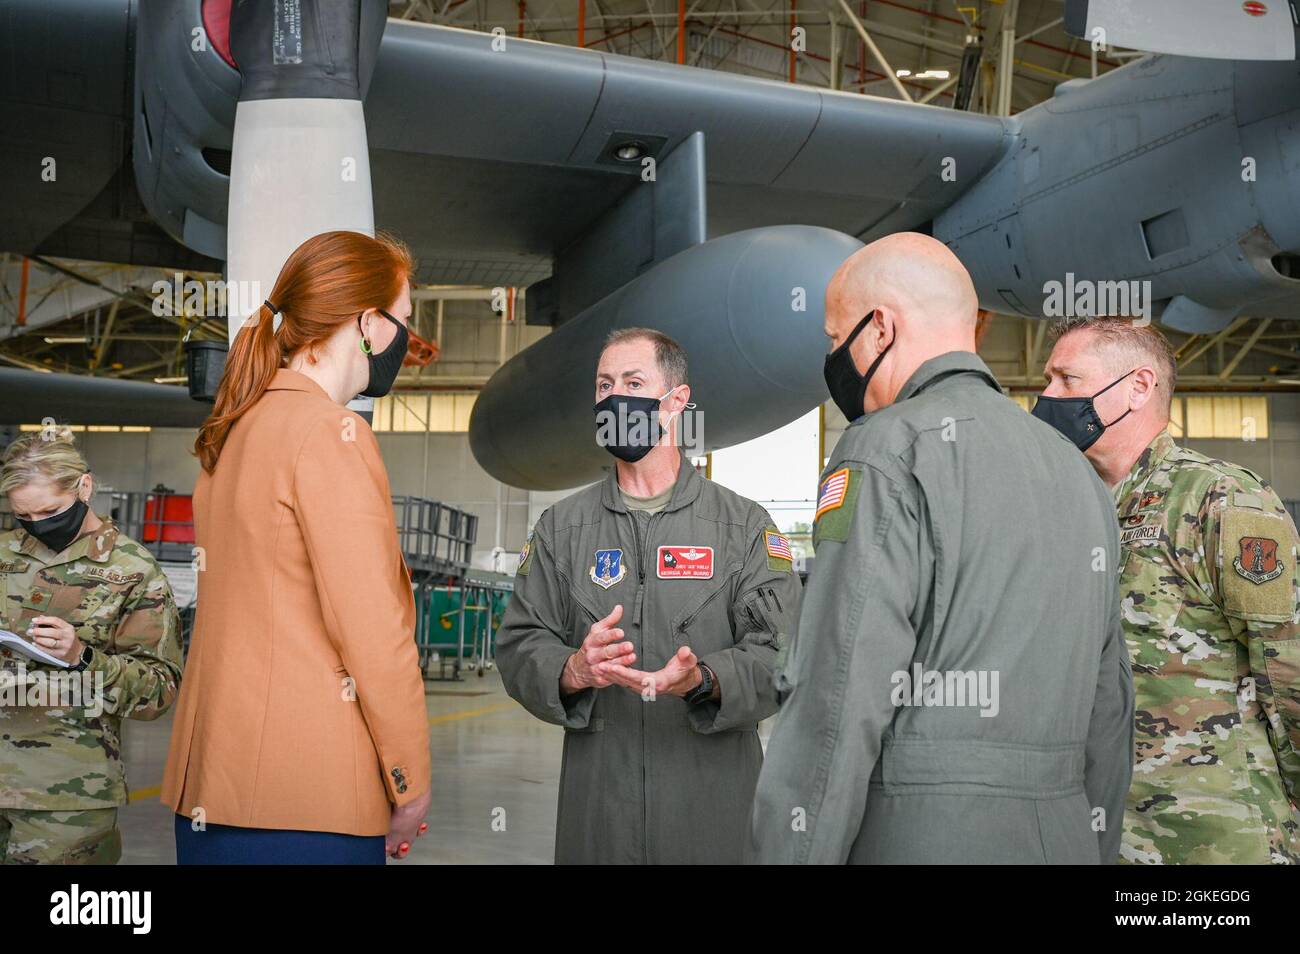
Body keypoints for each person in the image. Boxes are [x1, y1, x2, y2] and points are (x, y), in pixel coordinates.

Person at [750, 232, 1133, 864]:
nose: (832, 355)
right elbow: (1109, 708)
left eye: (833, 337)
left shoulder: (886, 449)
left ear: (879, 330)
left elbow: (838, 697)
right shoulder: (1076, 472)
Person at [161, 230, 432, 864]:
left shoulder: (233, 430)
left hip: (209, 791)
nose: (406, 344)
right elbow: (371, 631)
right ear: (368, 323)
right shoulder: (331, 433)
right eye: (404, 323)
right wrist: (409, 781)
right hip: (307, 802)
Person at [496, 327, 802, 864]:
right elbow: (521, 643)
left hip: (712, 818)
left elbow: (784, 653)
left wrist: (704, 679)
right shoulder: (561, 529)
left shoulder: (743, 527)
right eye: (604, 386)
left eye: (633, 383)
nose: (616, 398)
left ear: (676, 402)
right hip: (600, 819)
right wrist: (572, 669)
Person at [1035, 316, 1300, 864]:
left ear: (1137, 387)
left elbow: (1287, 669)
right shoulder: (1067, 506)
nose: (1047, 396)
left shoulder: (1220, 499)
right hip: (1099, 829)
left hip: (1215, 834)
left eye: (1066, 379)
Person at [0, 427, 182, 864]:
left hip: (64, 797)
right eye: (24, 516)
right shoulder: (4, 553)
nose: (38, 525)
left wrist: (82, 657)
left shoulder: (134, 570)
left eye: (49, 511)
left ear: (85, 486)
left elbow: (158, 693)